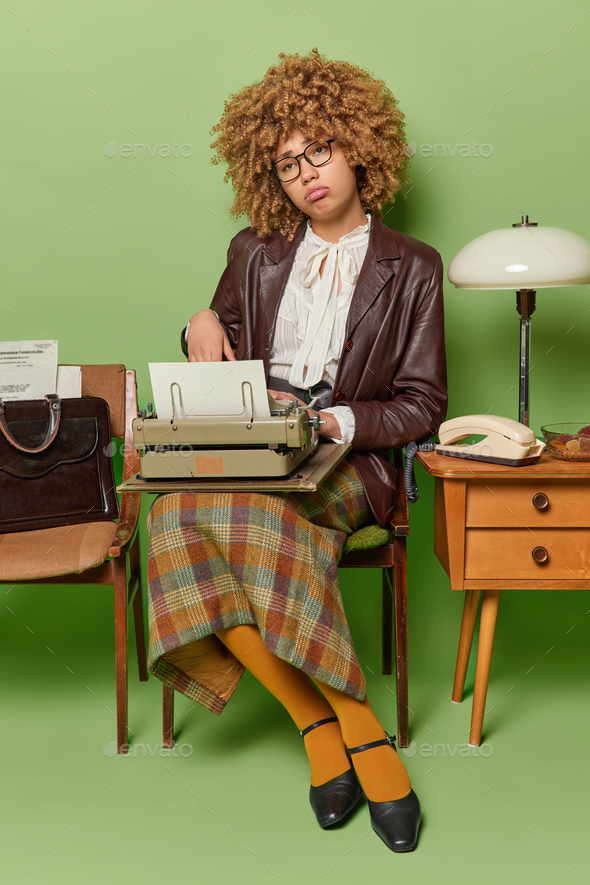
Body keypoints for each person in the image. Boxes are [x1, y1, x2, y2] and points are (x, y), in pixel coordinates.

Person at [147, 48, 447, 854]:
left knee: (257, 523)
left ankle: (347, 733)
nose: (307, 174)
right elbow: (222, 345)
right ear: (268, 177)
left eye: (321, 151)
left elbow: (422, 405)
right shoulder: (257, 250)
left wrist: (335, 423)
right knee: (172, 517)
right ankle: (329, 719)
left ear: (359, 146)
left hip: (350, 460)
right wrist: (197, 322)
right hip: (252, 449)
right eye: (287, 164)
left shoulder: (412, 266)